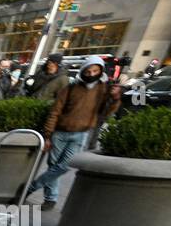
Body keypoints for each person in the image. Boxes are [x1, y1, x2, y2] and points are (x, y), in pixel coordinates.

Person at [25, 56, 122, 211]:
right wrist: (48, 135)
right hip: (59, 133)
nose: (91, 74)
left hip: (81, 134)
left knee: (64, 166)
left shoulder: (103, 90)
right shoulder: (70, 88)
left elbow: (106, 113)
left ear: (101, 71)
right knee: (53, 166)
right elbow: (55, 111)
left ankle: (30, 188)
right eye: (88, 70)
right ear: (83, 70)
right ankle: (50, 198)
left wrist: (115, 98)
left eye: (95, 71)